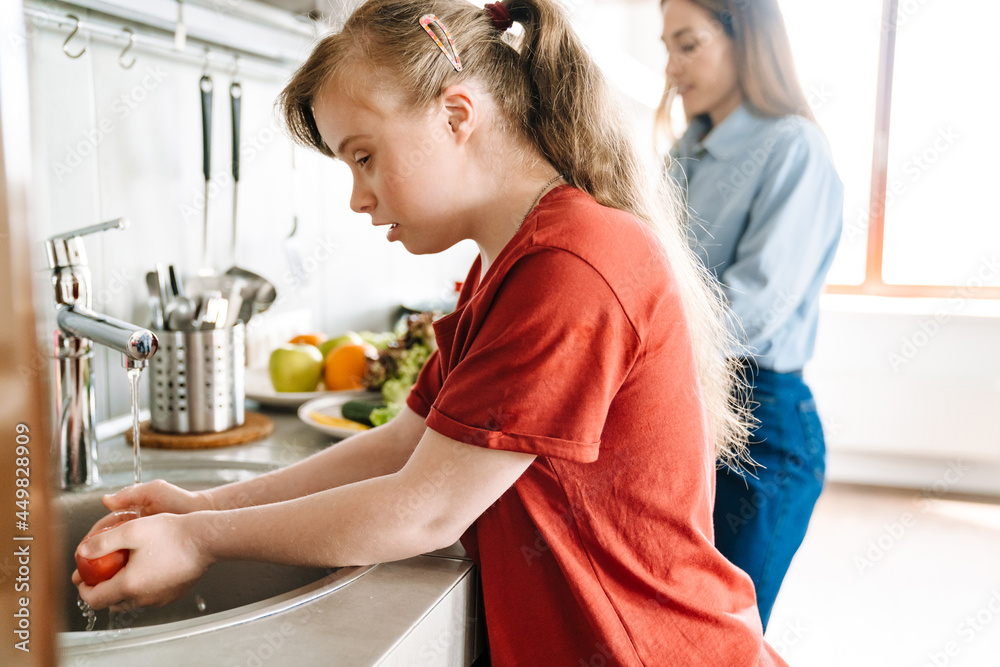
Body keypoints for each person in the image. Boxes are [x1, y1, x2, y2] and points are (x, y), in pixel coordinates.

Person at [75, 1, 788, 663]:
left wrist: (200, 539)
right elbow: (403, 443)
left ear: (456, 116)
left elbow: (425, 510)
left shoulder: (571, 262)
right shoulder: (512, 262)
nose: (358, 196)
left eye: (363, 155)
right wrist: (205, 506)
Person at [658, 0, 844, 631]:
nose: (672, 66)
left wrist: (634, 350)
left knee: (722, 637)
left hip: (761, 424)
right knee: (675, 627)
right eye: (667, 47)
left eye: (688, 44)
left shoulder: (793, 146)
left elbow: (753, 311)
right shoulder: (688, 151)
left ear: (747, 39)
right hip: (689, 409)